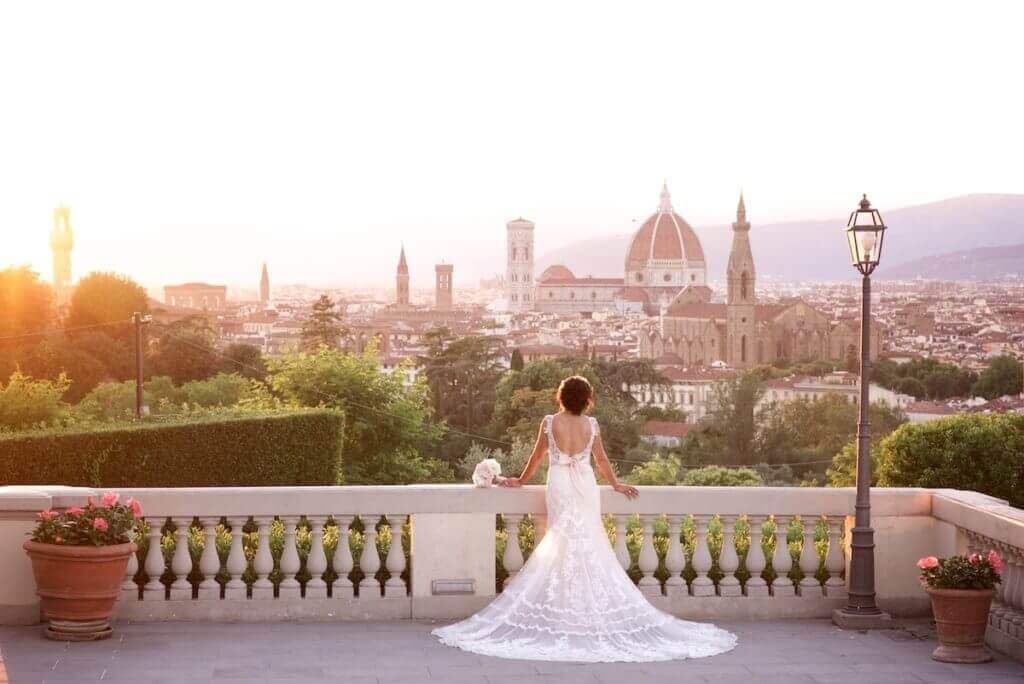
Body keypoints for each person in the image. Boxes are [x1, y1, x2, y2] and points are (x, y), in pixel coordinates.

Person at [433, 375, 737, 662]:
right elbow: (601, 459)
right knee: (589, 541)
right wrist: (616, 485)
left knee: (561, 542)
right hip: (586, 485)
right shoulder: (592, 425)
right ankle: (581, 611)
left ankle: (563, 609)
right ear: (587, 400)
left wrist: (520, 480)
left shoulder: (550, 422)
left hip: (561, 484)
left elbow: (537, 457)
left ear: (562, 397)